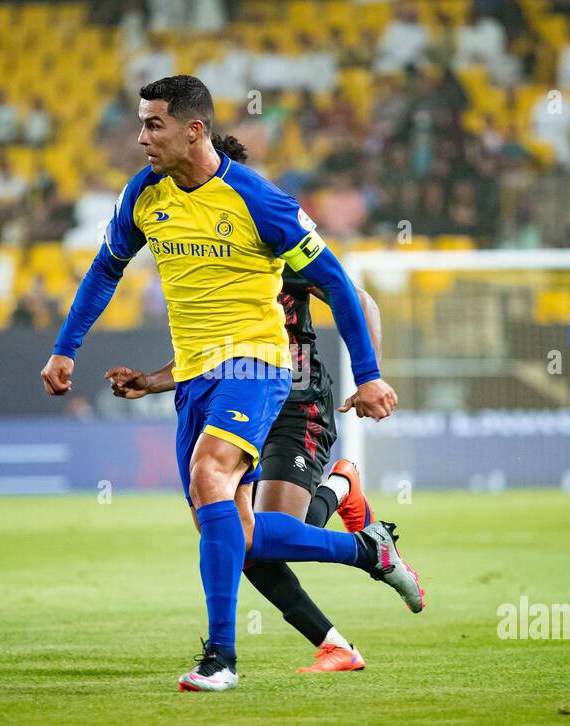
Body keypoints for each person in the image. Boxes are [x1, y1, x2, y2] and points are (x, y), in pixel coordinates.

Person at [41, 75, 423, 692]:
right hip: (195, 376)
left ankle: (221, 659)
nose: (141, 137)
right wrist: (66, 349)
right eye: (140, 124)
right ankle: (367, 550)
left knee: (208, 475)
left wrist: (371, 376)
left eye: (153, 125)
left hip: (258, 364)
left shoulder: (260, 201)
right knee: (233, 533)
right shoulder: (143, 194)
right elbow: (105, 269)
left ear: (195, 129)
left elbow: (339, 288)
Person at [104, 172, 387, 672]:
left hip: (298, 402)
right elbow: (210, 356)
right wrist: (151, 382)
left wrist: (369, 376)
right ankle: (336, 640)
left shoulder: (271, 247)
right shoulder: (207, 266)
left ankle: (342, 488)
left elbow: (360, 300)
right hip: (242, 397)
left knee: (282, 530)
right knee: (244, 538)